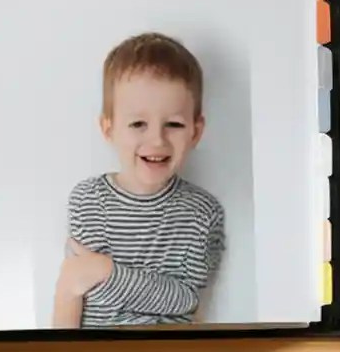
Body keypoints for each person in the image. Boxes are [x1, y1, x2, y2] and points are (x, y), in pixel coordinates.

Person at [53, 31, 226, 327]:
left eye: (173, 124)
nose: (157, 140)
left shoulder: (203, 212)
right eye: (138, 124)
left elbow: (187, 300)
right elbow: (74, 286)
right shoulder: (89, 200)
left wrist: (106, 272)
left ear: (195, 132)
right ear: (109, 129)